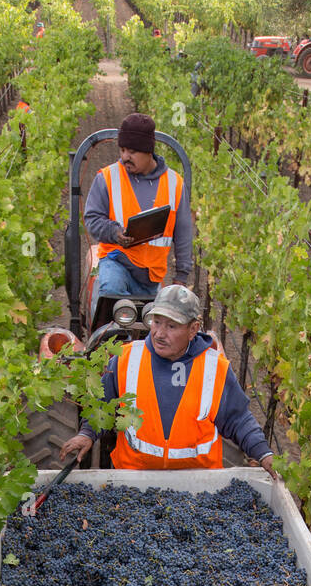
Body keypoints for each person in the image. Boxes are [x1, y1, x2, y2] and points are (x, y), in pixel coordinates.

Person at [58, 285, 278, 478]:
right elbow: (102, 406)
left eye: (171, 326)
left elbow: (238, 419)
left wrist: (264, 453)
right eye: (156, 322)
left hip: (200, 486)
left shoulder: (215, 367)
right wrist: (87, 434)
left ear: (193, 329)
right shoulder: (125, 360)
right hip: (132, 480)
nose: (159, 333)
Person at [83, 113, 193, 302]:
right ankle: (106, 331)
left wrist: (181, 277)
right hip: (117, 262)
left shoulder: (175, 184)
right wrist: (115, 233)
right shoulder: (107, 178)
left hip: (152, 275)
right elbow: (92, 219)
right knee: (112, 297)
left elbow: (183, 232)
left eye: (132, 152)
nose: (126, 156)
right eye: (123, 150)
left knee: (152, 326)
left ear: (148, 151)